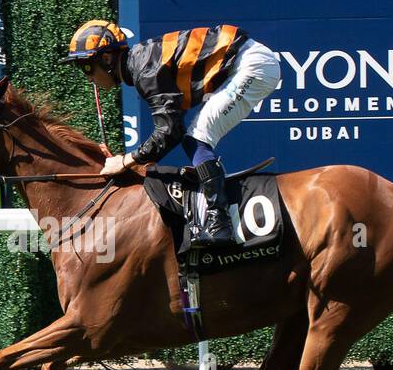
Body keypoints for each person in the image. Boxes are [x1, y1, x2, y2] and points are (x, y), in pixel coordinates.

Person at [61, 20, 282, 246]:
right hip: (245, 61)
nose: (88, 77)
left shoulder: (146, 71)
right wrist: (128, 161)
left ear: (107, 58)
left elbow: (170, 132)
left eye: (86, 66)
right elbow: (170, 131)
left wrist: (126, 161)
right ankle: (218, 216)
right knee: (195, 139)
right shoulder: (142, 63)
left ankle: (220, 225)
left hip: (252, 65)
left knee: (197, 138)